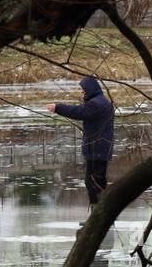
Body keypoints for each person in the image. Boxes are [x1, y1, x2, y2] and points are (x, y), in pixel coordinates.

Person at [47, 76, 114, 204]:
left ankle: (99, 214)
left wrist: (58, 108)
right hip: (100, 147)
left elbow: (78, 112)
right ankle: (100, 212)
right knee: (96, 180)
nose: (82, 92)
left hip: (97, 148)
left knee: (94, 182)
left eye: (83, 90)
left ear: (90, 89)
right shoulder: (102, 101)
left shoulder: (96, 104)